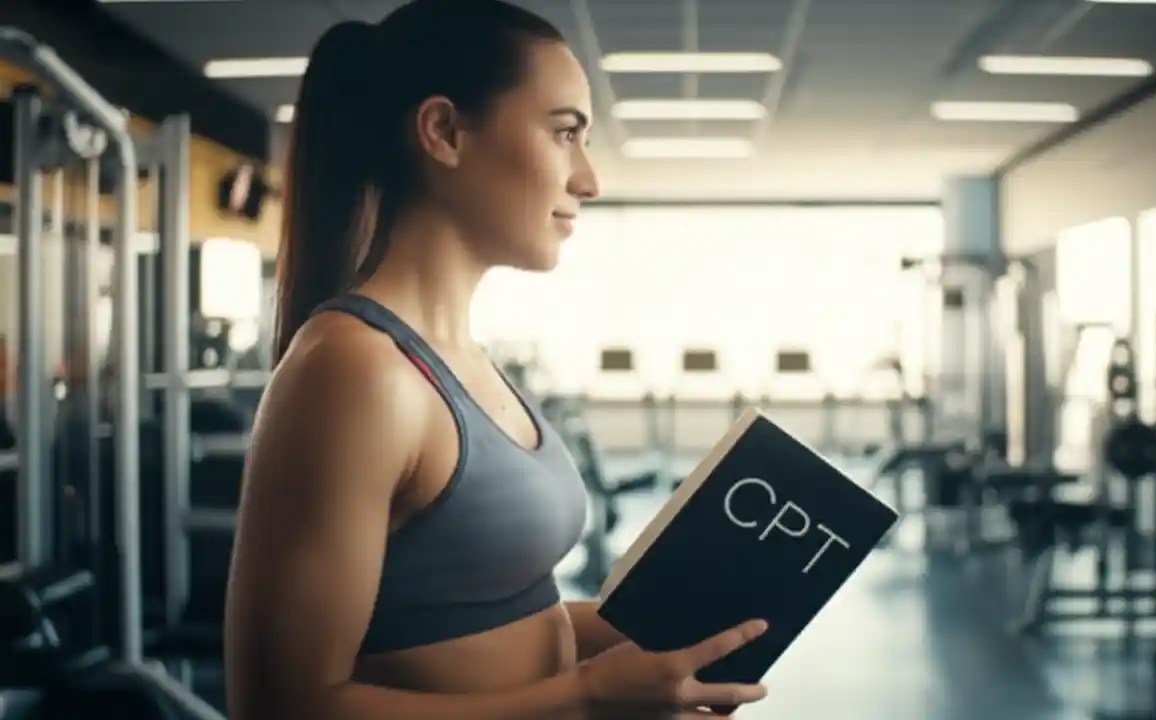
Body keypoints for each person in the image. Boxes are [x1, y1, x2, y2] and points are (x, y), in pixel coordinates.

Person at [222, 1, 770, 718]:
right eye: (565, 132)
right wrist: (590, 695)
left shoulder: (461, 361)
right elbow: (283, 707)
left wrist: (661, 648)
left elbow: (487, 626)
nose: (589, 179)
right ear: (445, 132)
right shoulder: (357, 369)